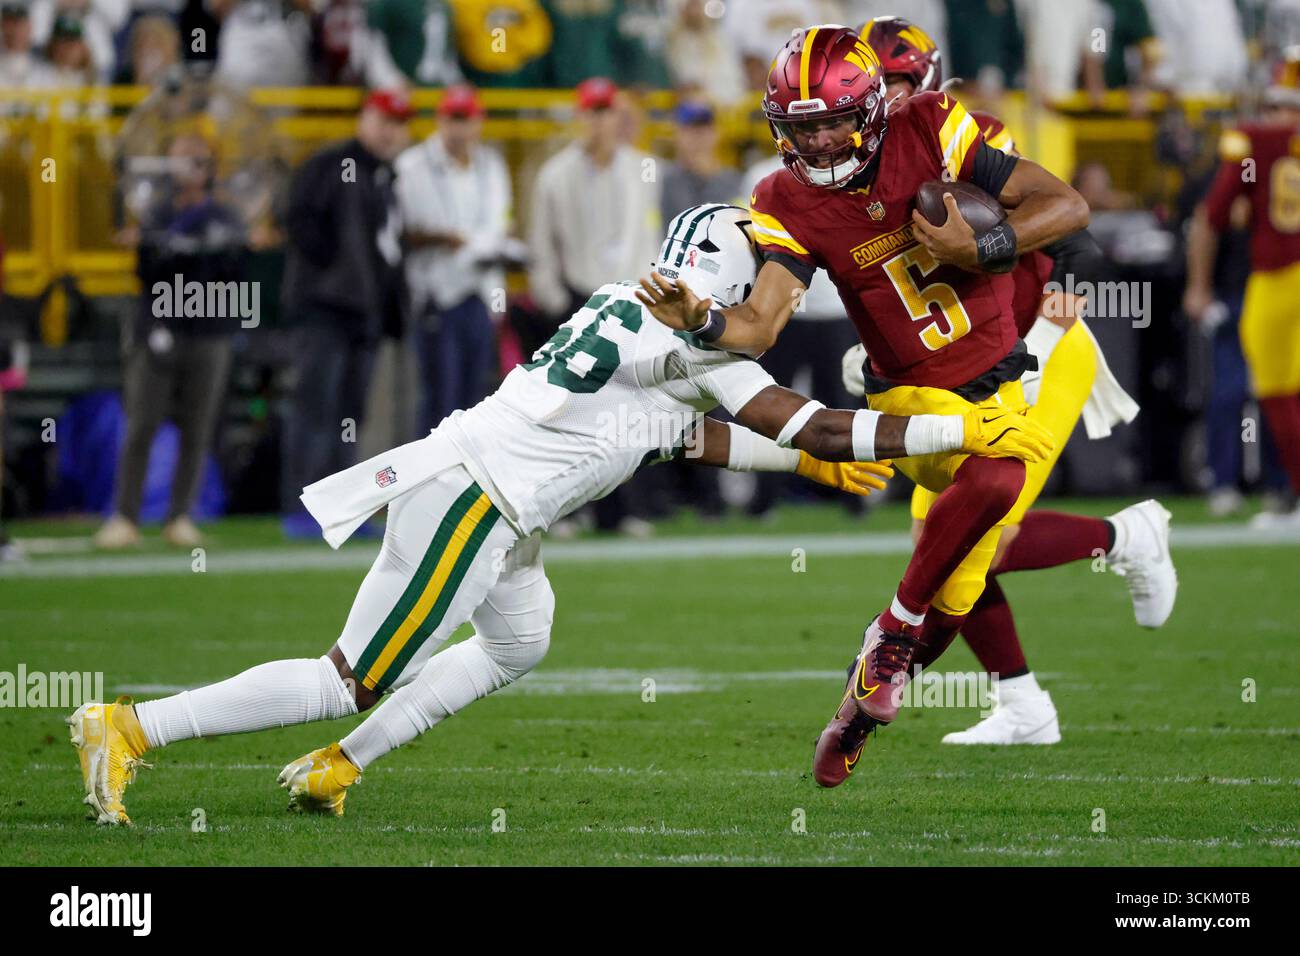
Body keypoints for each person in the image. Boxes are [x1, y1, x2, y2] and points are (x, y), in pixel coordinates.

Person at [66, 205, 1054, 825]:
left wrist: (803, 448)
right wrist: (955, 434)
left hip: (493, 495)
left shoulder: (631, 306)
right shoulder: (699, 339)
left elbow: (674, 433)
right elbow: (810, 425)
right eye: (759, 285)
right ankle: (131, 725)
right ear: (721, 281)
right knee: (348, 674)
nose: (772, 301)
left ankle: (335, 769)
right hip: (474, 500)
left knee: (520, 639)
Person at [636, 25, 1090, 784]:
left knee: (958, 595)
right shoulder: (782, 198)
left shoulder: (930, 125)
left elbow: (1066, 205)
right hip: (909, 393)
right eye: (800, 126)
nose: (817, 141)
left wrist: (980, 248)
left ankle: (860, 702)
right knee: (1003, 474)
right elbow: (762, 323)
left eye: (832, 120)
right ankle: (890, 632)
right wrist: (705, 320)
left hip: (1000, 374)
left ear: (872, 108)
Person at [838, 16, 1175, 749]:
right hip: (955, 380)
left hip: (1034, 355)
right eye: (875, 82)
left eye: (897, 81)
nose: (884, 96)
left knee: (979, 539)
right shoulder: (855, 168)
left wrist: (1055, 311)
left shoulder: (960, 135)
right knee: (944, 539)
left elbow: (1075, 236)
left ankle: (1126, 536)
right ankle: (1024, 706)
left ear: (922, 83)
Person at [95, 131, 247, 550]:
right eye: (180, 159)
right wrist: (172, 248)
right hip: (160, 327)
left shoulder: (225, 217)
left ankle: (179, 516)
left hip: (209, 329)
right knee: (142, 423)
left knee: (198, 428)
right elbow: (145, 271)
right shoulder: (156, 214)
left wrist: (201, 251)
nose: (188, 169)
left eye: (196, 160)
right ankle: (125, 516)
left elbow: (236, 272)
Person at [528, 76, 662, 535]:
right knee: (568, 409)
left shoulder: (643, 168)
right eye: (592, 112)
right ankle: (568, 508)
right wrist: (551, 299)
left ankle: (624, 509)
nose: (600, 121)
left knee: (627, 409)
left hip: (628, 300)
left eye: (606, 111)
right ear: (580, 117)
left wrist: (649, 297)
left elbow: (649, 238)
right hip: (575, 300)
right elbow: (541, 245)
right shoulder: (555, 175)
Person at [279, 88, 411, 539]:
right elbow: (298, 221)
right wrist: (334, 278)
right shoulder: (333, 164)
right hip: (326, 310)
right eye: (384, 119)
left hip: (362, 314)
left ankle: (340, 511)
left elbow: (386, 250)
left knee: (349, 416)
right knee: (316, 409)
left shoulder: (384, 176)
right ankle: (302, 506)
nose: (391, 131)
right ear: (365, 118)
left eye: (399, 123)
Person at [1186, 49, 1300, 528]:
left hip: (1278, 276)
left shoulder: (1254, 140)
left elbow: (1211, 217)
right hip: (1265, 278)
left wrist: (1197, 286)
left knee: (1276, 388)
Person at [395, 84, 514, 434]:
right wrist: (445, 238)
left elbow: (501, 224)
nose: (460, 129)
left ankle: (464, 484)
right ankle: (429, 485)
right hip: (436, 296)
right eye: (453, 119)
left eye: (467, 119)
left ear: (479, 122)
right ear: (440, 120)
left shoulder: (491, 165)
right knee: (438, 403)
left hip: (480, 293)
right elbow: (403, 232)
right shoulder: (412, 166)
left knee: (475, 402)